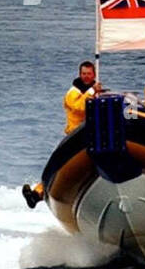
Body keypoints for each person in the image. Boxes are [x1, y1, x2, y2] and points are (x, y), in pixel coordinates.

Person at [22, 61, 101, 208]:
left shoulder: (94, 91)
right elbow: (79, 108)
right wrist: (92, 92)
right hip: (75, 135)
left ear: (94, 75)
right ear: (79, 74)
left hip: (92, 134)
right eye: (83, 73)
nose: (86, 76)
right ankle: (37, 192)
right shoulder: (73, 92)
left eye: (89, 74)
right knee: (58, 165)